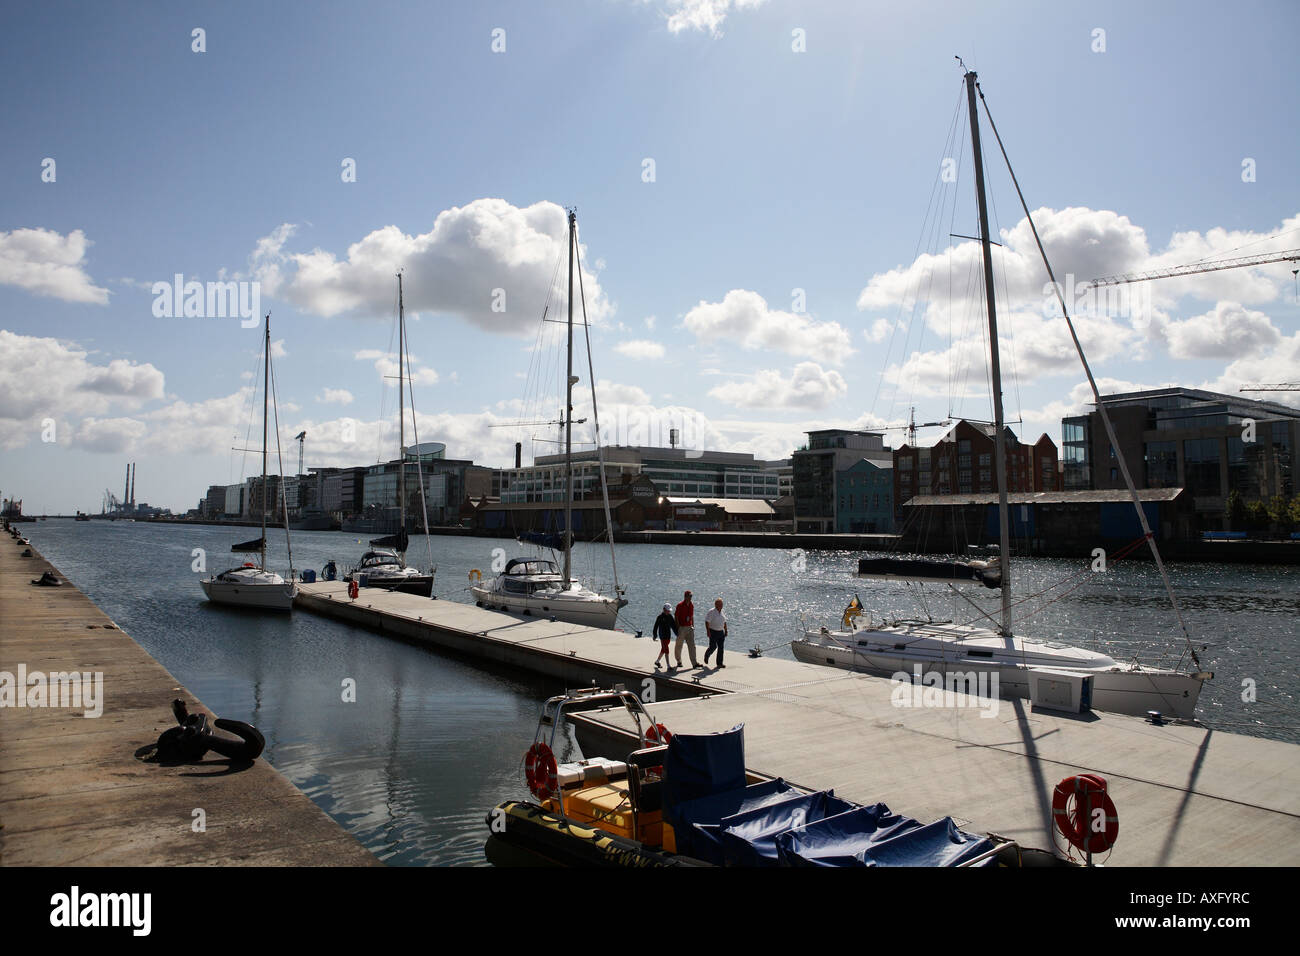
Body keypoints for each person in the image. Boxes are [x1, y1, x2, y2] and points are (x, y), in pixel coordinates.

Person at [674, 590, 699, 668]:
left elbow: (692, 616)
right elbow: (676, 617)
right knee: (679, 645)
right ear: (685, 596)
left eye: (691, 596)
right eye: (689, 596)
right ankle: (679, 661)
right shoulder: (680, 605)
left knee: (692, 646)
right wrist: (678, 628)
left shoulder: (691, 605)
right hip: (682, 627)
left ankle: (694, 663)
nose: (691, 597)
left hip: (689, 628)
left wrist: (693, 626)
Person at [703, 598, 728, 668]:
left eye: (722, 604)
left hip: (721, 632)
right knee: (713, 647)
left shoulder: (722, 612)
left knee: (721, 648)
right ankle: (707, 654)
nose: (721, 605)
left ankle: (719, 663)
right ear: (716, 605)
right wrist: (708, 631)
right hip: (713, 631)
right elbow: (707, 621)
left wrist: (726, 630)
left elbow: (724, 622)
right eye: (719, 604)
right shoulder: (711, 612)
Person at [653, 603, 678, 670]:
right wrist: (655, 635)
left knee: (663, 650)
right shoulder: (660, 617)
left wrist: (677, 634)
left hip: (668, 636)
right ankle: (668, 666)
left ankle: (657, 661)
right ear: (664, 609)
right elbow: (655, 627)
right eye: (667, 610)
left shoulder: (670, 616)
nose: (669, 612)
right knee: (666, 650)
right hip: (662, 636)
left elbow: (673, 626)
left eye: (669, 611)